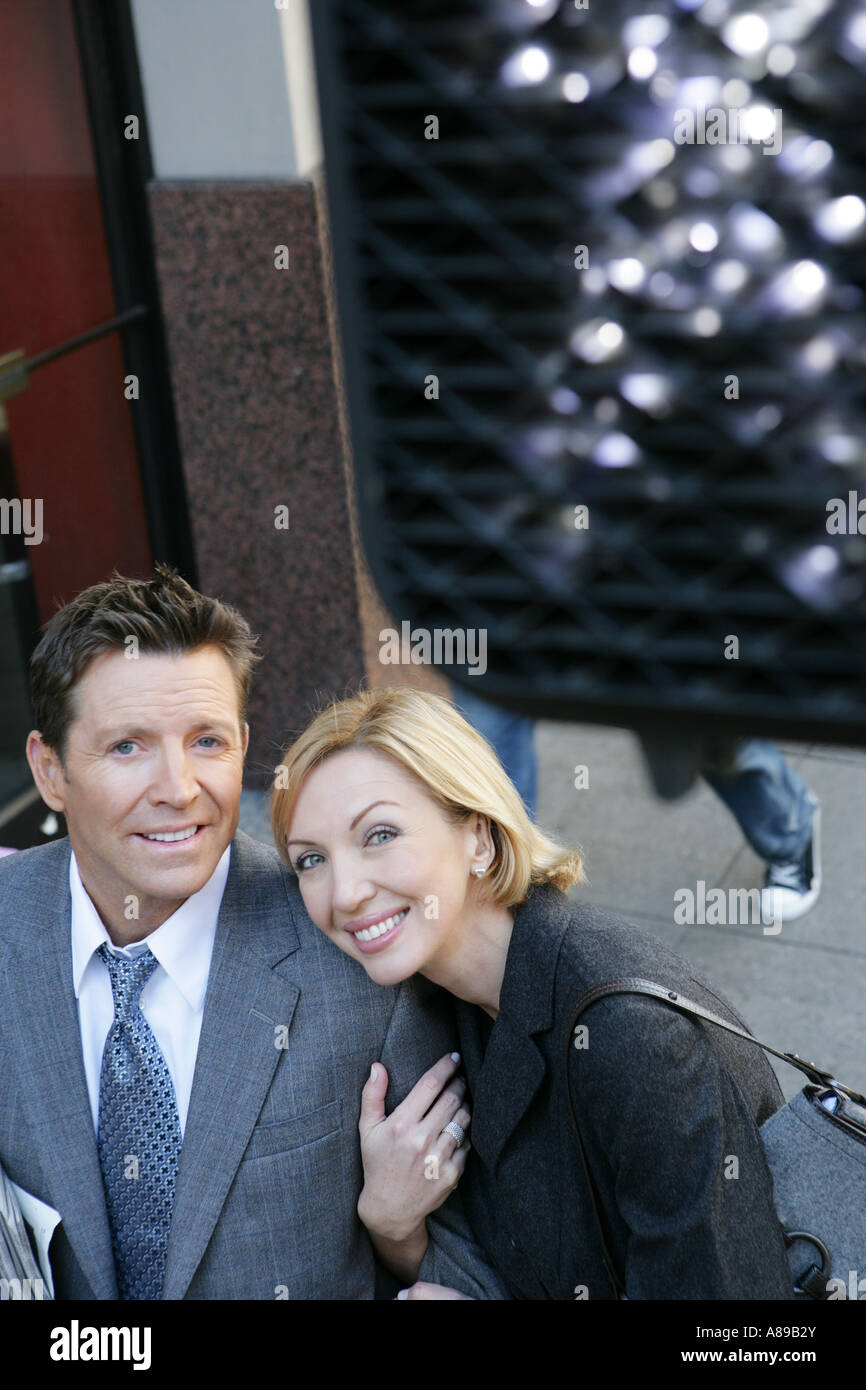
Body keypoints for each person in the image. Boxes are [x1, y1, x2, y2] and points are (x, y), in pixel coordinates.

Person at [0, 568, 507, 1300]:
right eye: (127, 748)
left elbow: (479, 1256)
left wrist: (398, 1233)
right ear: (49, 772)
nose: (179, 788)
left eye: (206, 741)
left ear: (242, 745)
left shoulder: (358, 950)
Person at [272, 686, 795, 1300]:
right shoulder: (448, 1000)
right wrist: (393, 1225)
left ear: (480, 839)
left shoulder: (631, 1036)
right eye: (311, 861)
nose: (345, 893)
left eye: (380, 835)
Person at [452, 688, 821, 924]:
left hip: (639, 585)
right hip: (507, 586)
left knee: (705, 727)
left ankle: (788, 831)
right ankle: (502, 893)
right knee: (487, 733)